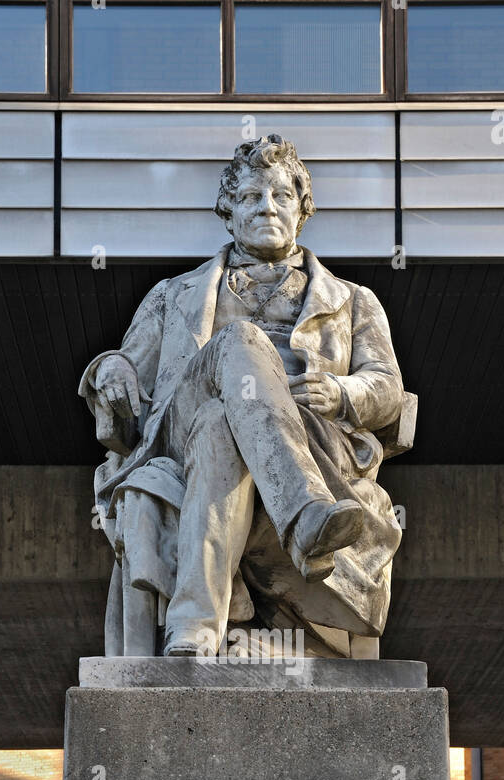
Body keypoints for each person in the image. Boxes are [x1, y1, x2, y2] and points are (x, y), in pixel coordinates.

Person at [80, 134, 416, 659]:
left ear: (302, 211)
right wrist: (111, 369)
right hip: (180, 434)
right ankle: (305, 514)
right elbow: (128, 361)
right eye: (253, 196)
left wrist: (341, 390)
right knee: (238, 343)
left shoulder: (353, 302)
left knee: (224, 424)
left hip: (312, 439)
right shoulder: (173, 295)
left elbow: (387, 389)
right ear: (228, 210)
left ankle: (194, 624)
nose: (268, 207)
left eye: (282, 196)